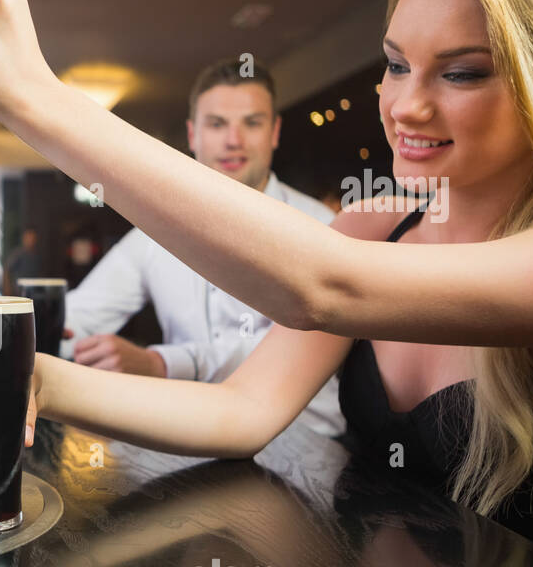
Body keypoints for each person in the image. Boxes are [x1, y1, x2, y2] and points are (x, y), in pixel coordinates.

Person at [0, 0, 533, 567]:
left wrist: (35, 98)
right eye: (395, 65)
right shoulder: (375, 223)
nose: (405, 105)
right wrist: (33, 378)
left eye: (462, 73)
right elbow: (243, 410)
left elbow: (322, 285)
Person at [62, 58, 343, 438]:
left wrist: (158, 363)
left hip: (305, 447)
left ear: (274, 132)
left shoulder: (323, 230)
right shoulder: (155, 232)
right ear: (193, 136)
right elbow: (80, 315)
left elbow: (273, 351)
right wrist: (50, 336)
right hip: (188, 438)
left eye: (252, 123)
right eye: (217, 124)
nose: (233, 140)